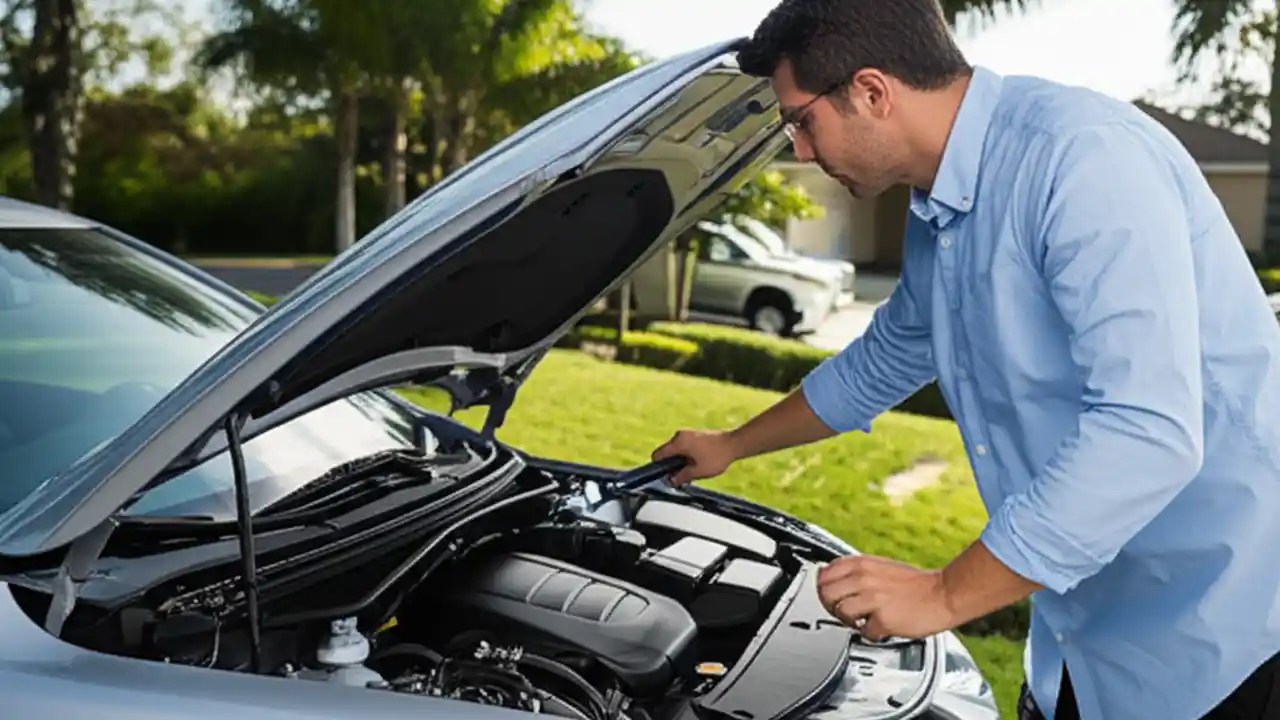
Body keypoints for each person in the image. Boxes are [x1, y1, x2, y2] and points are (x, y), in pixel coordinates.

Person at [650, 1, 1280, 718]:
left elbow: (1148, 432)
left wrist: (941, 594)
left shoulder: (1083, 160)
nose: (800, 150)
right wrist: (731, 445)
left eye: (801, 121)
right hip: (1089, 621)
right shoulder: (941, 205)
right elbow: (886, 357)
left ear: (872, 91)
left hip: (1224, 618)